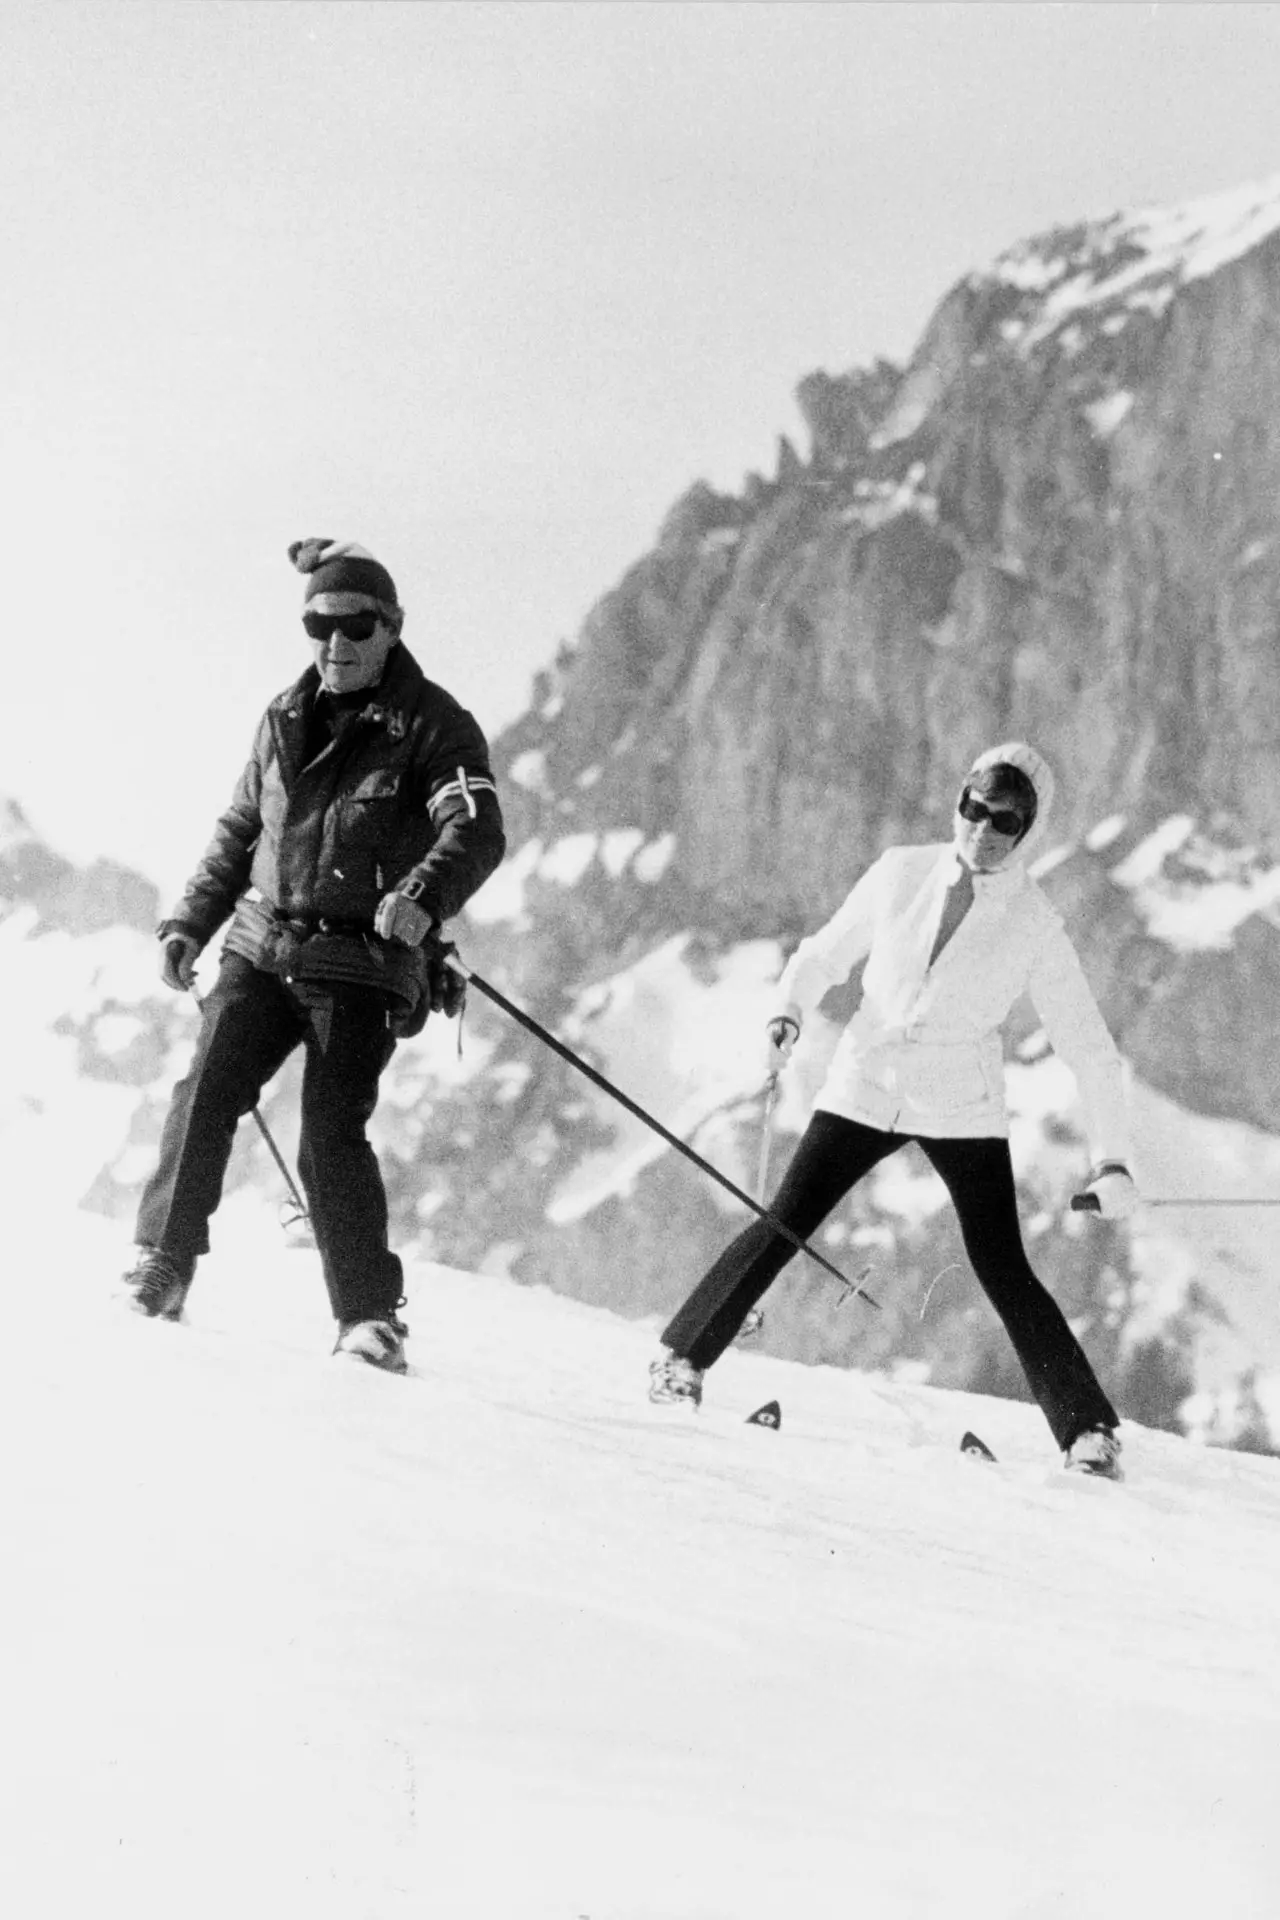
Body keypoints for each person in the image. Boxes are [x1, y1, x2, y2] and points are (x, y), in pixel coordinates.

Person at [649, 742, 1138, 1479]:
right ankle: (680, 1357)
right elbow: (824, 953)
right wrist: (789, 1009)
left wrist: (1113, 1158)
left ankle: (1089, 1433)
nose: (983, 828)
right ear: (960, 799)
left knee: (1001, 1263)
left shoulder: (1036, 924)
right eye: (975, 806)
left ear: (1029, 829)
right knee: (787, 1216)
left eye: (1006, 819)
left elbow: (1091, 1049)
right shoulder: (901, 871)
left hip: (959, 1103)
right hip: (866, 1080)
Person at [118, 539, 506, 1372]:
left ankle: (369, 1319)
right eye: (318, 626)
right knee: (205, 1091)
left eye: (354, 626)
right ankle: (163, 1264)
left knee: (329, 1133)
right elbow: (240, 831)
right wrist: (189, 922)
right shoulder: (280, 717)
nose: (334, 643)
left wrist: (424, 898)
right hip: (261, 945)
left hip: (360, 965)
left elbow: (474, 828)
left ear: (391, 628)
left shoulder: (435, 727)